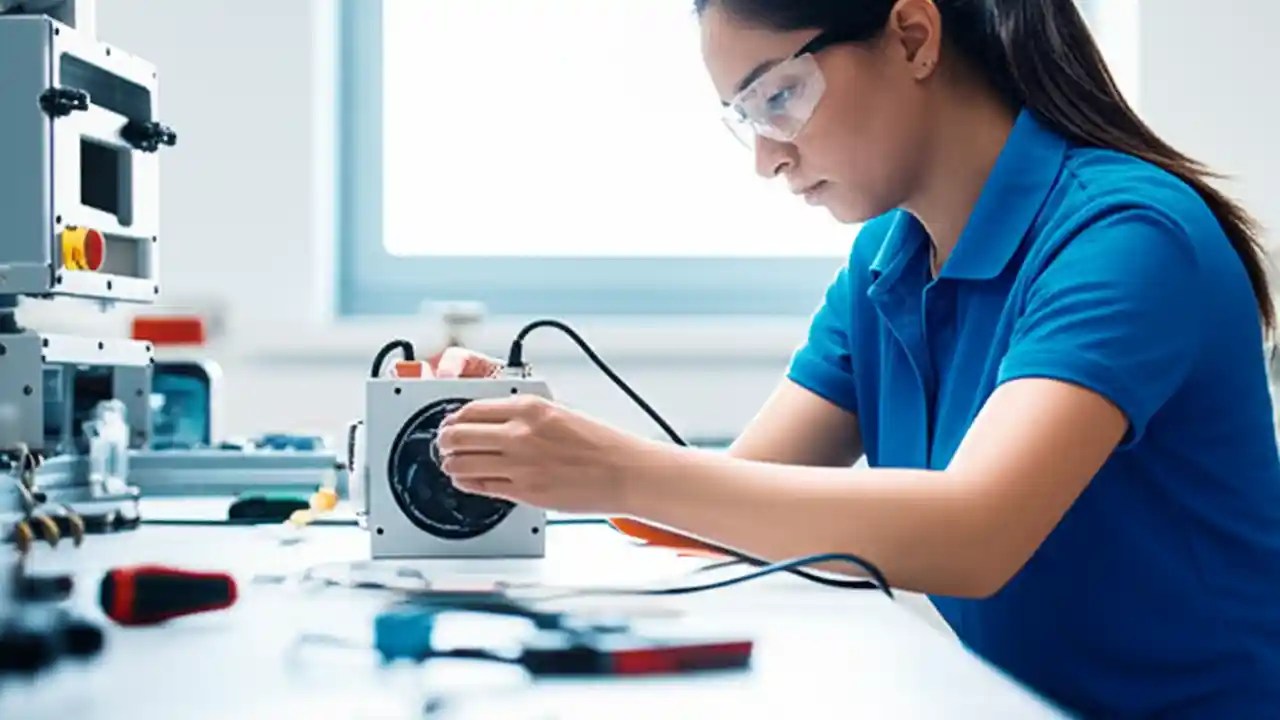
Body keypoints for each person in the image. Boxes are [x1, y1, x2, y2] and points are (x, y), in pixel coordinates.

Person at [430, 0, 1280, 716]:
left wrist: (609, 467)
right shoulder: (891, 256)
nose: (767, 158)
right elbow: (722, 515)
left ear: (913, 36)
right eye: (746, 120)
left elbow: (975, 534)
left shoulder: (1126, 236)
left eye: (777, 97)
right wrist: (512, 444)